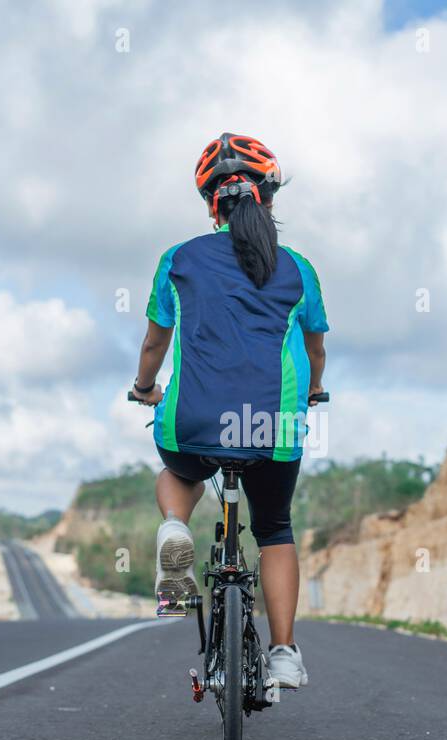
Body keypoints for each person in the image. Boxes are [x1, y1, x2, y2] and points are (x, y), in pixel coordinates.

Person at [129, 132, 328, 690]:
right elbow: (315, 350)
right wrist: (314, 389)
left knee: (179, 471)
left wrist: (145, 386)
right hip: (274, 425)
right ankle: (284, 653)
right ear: (268, 196)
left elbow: (154, 346)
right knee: (275, 529)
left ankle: (175, 530)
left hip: (194, 418)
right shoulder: (298, 269)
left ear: (210, 201)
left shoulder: (179, 259)